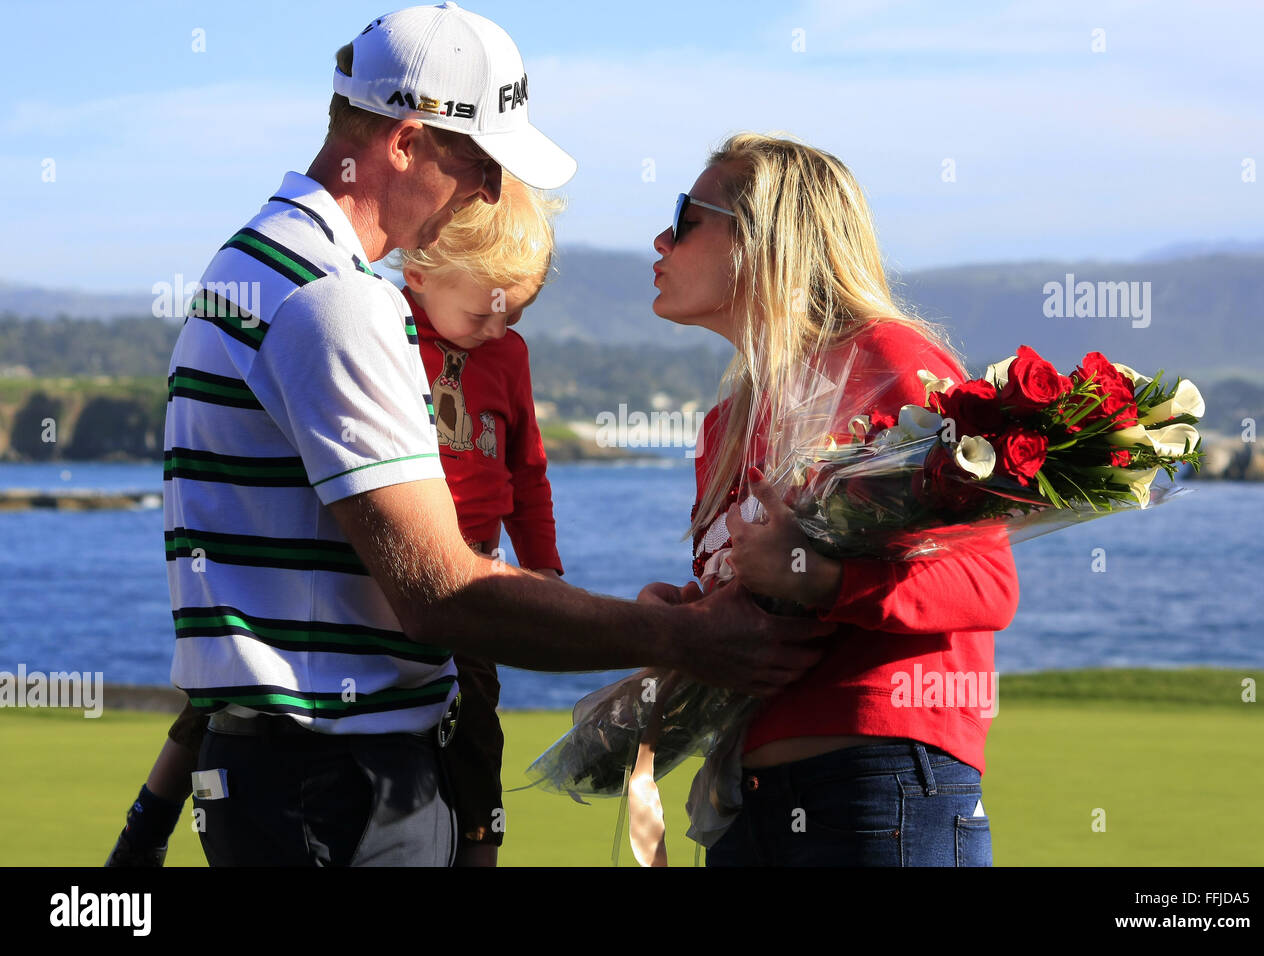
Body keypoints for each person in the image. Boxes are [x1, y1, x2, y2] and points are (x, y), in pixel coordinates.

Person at [136, 6, 825, 868]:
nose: (493, 192)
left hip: (285, 776)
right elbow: (441, 592)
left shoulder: (249, 265)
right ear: (406, 142)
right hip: (339, 782)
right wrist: (677, 639)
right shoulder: (334, 298)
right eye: (482, 161)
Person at [106, 172, 566, 868]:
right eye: (485, 311)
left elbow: (529, 472)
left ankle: (479, 844)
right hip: (380, 577)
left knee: (477, 729)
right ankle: (148, 821)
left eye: (515, 314)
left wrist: (545, 571)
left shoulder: (507, 358)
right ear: (422, 267)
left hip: (473, 582)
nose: (499, 327)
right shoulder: (374, 327)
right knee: (216, 699)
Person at [647, 133, 1020, 866]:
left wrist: (823, 579)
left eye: (687, 216)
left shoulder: (891, 362)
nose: (661, 237)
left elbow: (986, 581)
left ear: (766, 236)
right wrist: (691, 621)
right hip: (756, 798)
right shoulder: (729, 421)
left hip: (880, 788)